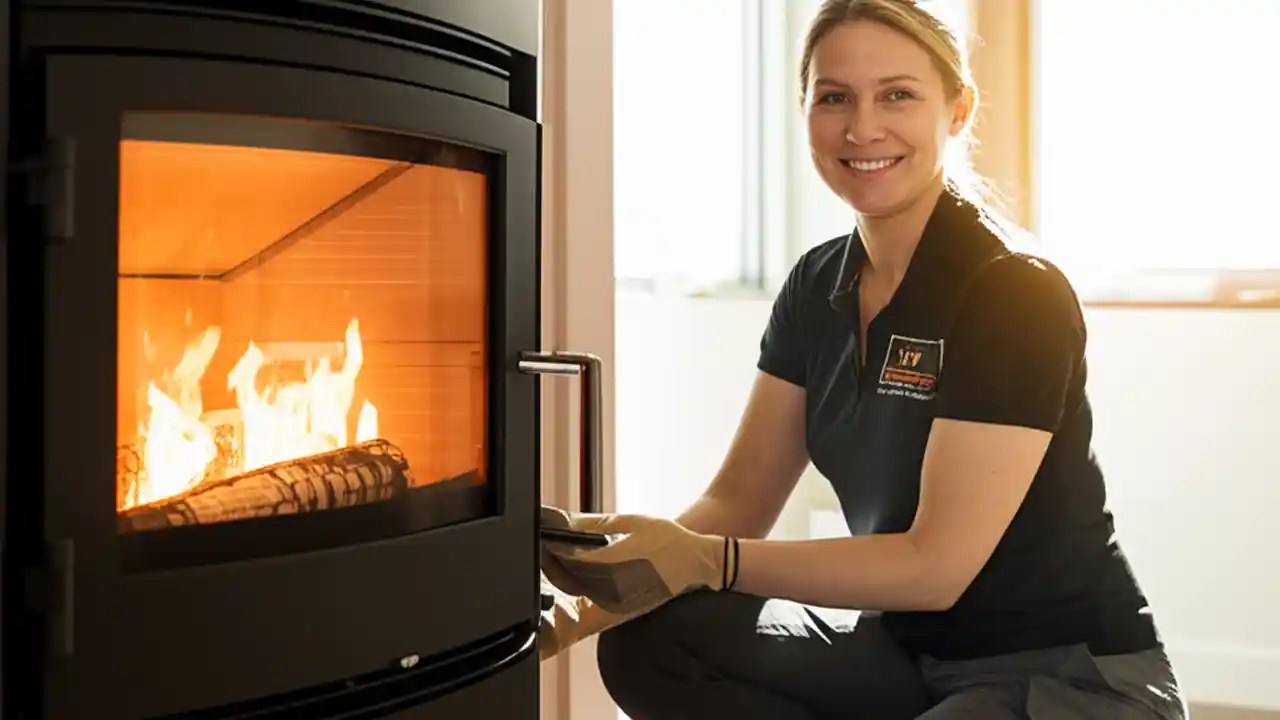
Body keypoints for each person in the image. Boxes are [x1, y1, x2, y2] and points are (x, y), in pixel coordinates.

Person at [538, 1, 1188, 718]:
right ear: (806, 111)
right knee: (653, 639)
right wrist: (587, 601)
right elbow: (736, 505)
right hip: (907, 655)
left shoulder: (1012, 290)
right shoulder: (817, 286)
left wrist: (708, 560)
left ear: (958, 110)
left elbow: (934, 567)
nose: (862, 128)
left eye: (898, 95)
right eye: (834, 98)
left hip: (1065, 675)